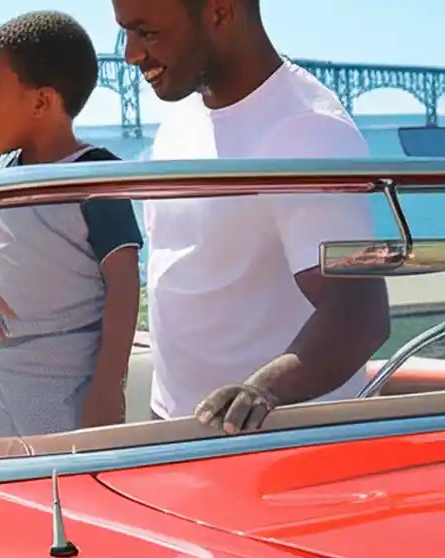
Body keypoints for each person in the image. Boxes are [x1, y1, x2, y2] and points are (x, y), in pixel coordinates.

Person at [112, 0, 390, 434]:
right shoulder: (183, 117)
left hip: (274, 442)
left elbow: (359, 311)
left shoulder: (310, 130)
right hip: (179, 434)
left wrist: (262, 391)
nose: (130, 54)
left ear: (220, 12)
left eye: (146, 33)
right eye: (125, 33)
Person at [0, 10, 144, 437]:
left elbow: (124, 285)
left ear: (41, 101)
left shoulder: (94, 176)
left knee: (61, 490)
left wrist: (108, 387)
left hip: (67, 378)